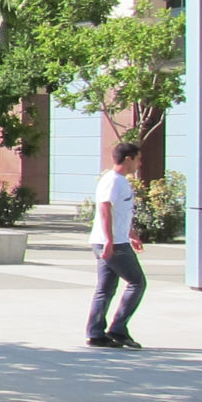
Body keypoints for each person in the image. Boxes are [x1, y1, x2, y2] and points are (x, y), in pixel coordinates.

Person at [86, 142, 146, 349]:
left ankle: (95, 334)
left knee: (105, 289)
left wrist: (131, 234)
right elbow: (104, 209)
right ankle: (118, 329)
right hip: (113, 244)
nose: (140, 163)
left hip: (110, 241)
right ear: (128, 159)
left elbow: (119, 212)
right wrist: (110, 241)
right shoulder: (113, 181)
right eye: (138, 158)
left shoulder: (120, 181)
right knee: (137, 282)